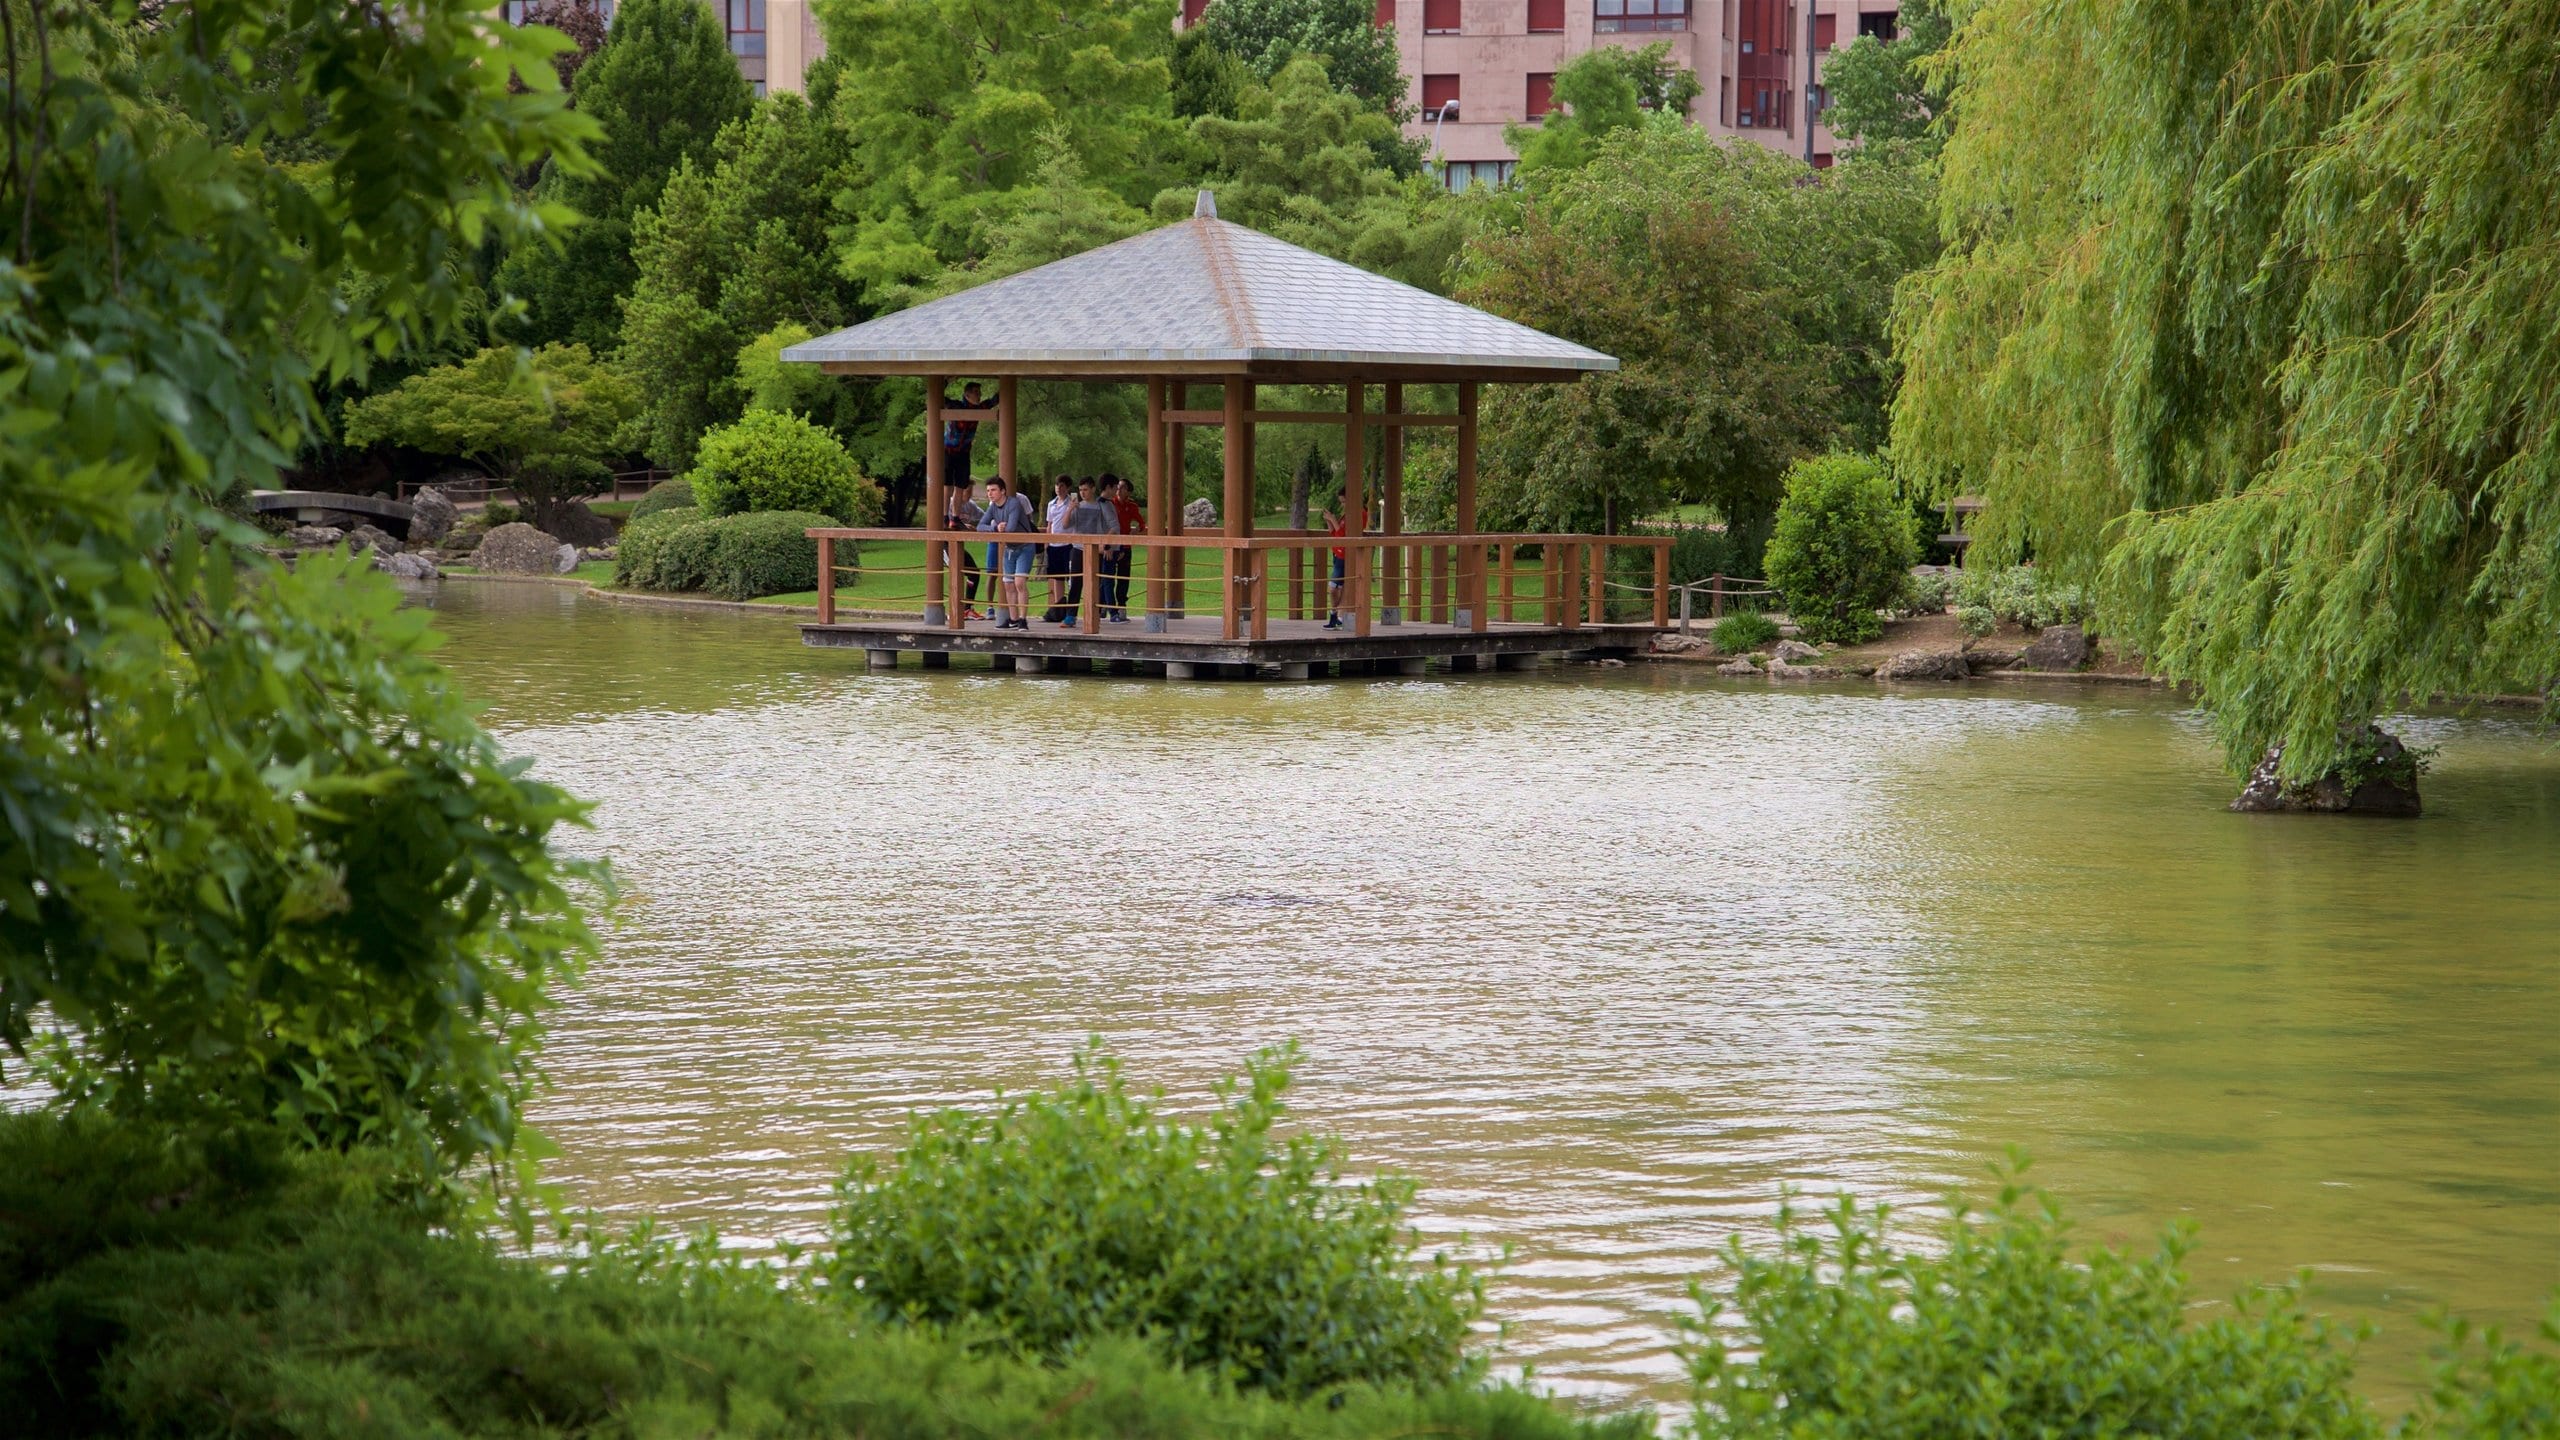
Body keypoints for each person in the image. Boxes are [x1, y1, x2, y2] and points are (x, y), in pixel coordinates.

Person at [976, 476, 1037, 628]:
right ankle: (1013, 619)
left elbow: (1010, 528)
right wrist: (995, 528)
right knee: (1008, 585)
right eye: (988, 490)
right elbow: (980, 526)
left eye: (994, 490)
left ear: (1002, 491)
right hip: (1009, 548)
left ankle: (1023, 619)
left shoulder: (1014, 503)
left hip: (1025, 546)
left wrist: (1001, 528)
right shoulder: (992, 507)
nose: (990, 493)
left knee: (1019, 582)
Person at [1056, 478, 1119, 625]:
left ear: (1092, 489)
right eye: (1080, 490)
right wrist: (1070, 508)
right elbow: (1065, 525)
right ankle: (1070, 616)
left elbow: (1114, 527)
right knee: (1075, 582)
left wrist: (1106, 544)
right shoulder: (1077, 506)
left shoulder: (1102, 505)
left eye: (1085, 489)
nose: (1082, 493)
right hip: (1078, 548)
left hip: (1095, 549)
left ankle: (1093, 615)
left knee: (1095, 583)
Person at [941, 381, 996, 494]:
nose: (979, 395)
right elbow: (937, 397)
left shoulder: (979, 409)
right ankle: (945, 512)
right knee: (947, 484)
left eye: (979, 393)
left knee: (961, 486)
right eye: (976, 392)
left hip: (964, 453)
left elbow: (993, 401)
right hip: (948, 451)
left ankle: (956, 513)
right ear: (967, 395)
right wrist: (946, 381)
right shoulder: (956, 406)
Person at [943, 477, 984, 621]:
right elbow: (944, 525)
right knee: (956, 573)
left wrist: (979, 528)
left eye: (971, 491)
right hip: (945, 545)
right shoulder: (949, 504)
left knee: (974, 573)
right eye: (967, 490)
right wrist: (962, 526)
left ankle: (967, 609)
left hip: (959, 546)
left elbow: (985, 519)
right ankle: (954, 612)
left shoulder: (971, 506)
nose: (969, 494)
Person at [1106, 475, 1145, 623]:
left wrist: (1136, 529)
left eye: (1123, 487)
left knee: (1123, 579)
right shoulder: (1111, 504)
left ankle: (1121, 607)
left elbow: (1141, 523)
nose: (1119, 489)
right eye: (1118, 486)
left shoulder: (1132, 506)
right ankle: (1106, 608)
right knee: (1107, 577)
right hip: (1112, 545)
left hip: (1126, 545)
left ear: (1128, 491)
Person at [1043, 475, 1076, 623]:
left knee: (1070, 575)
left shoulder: (1072, 503)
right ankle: (1058, 606)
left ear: (1067, 487)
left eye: (1062, 485)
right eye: (1057, 485)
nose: (1059, 488)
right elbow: (1050, 524)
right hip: (1054, 544)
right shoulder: (1051, 504)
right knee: (1057, 576)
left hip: (1067, 544)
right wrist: (1047, 540)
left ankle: (1070, 607)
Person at [1321, 500, 1349, 630]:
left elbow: (1343, 536)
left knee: (1333, 587)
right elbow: (1335, 534)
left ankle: (1336, 615)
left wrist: (1333, 519)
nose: (1342, 504)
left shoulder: (1358, 514)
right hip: (1337, 554)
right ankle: (1335, 617)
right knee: (1337, 588)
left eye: (1343, 501)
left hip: (1344, 556)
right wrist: (1329, 520)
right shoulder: (1345, 516)